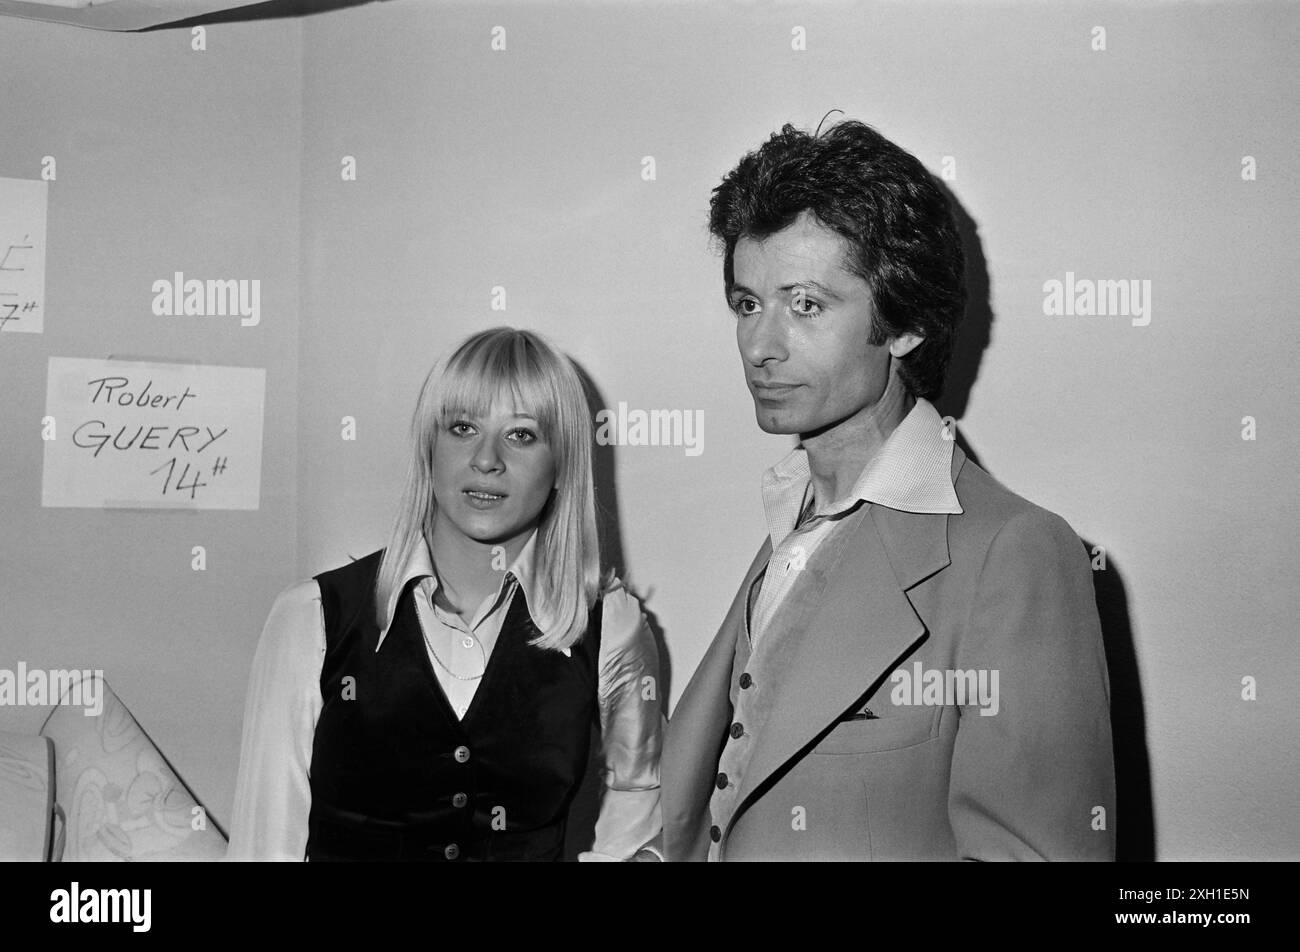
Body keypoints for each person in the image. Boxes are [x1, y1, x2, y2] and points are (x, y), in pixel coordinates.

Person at [661, 119, 1116, 861]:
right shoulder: (794, 520)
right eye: (748, 304)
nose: (759, 346)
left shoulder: (1016, 554)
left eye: (805, 305)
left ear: (904, 324)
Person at [229, 327, 662, 861]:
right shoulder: (313, 618)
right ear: (429, 447)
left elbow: (640, 799)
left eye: (521, 435)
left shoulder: (608, 625)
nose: (486, 459)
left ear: (562, 466)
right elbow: (267, 845)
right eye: (463, 427)